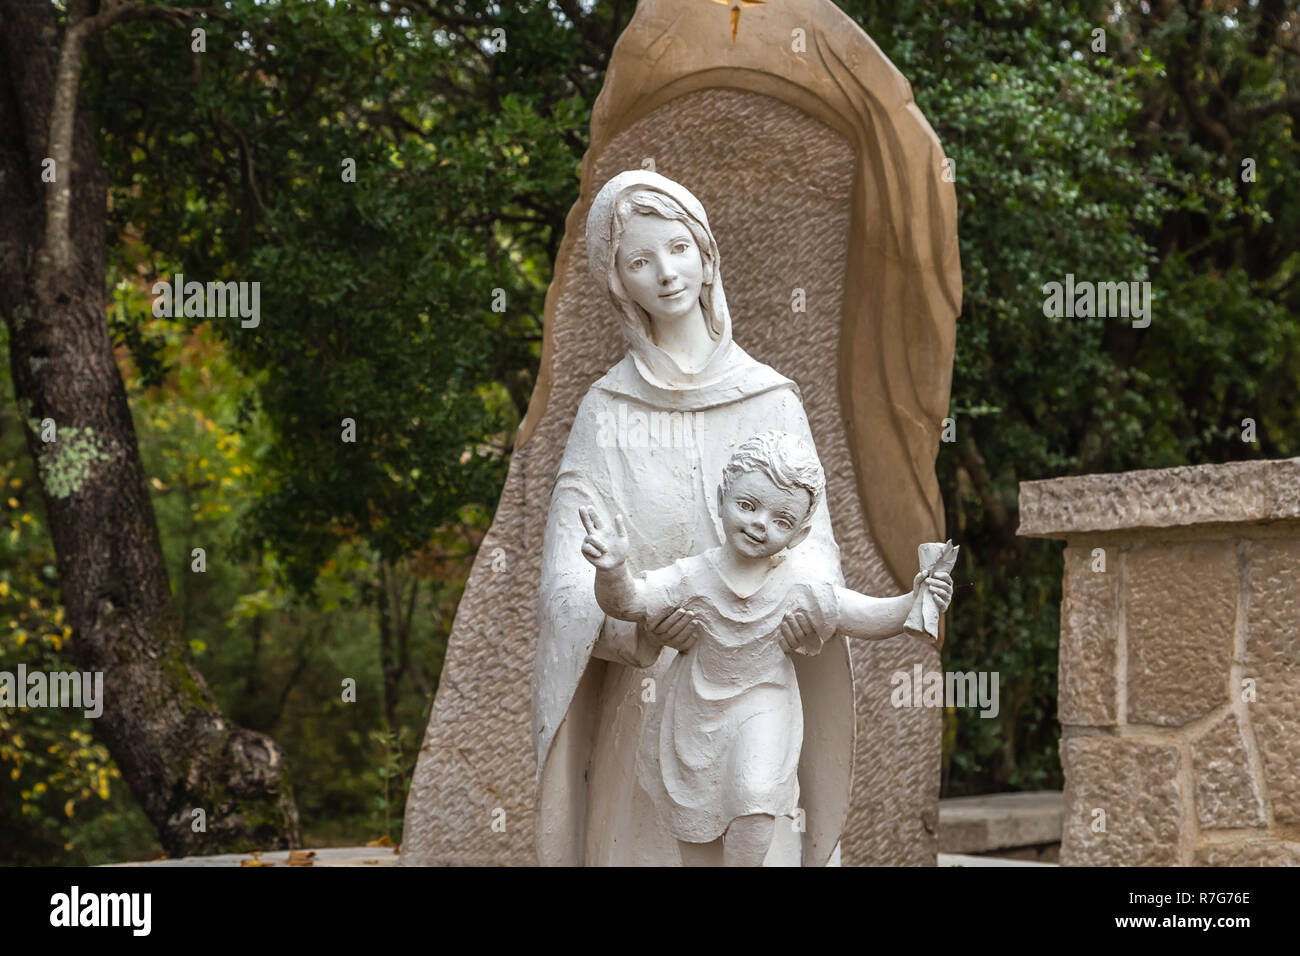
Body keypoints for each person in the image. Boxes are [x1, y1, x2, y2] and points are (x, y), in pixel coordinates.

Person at [534, 170, 864, 866]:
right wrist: (636, 617)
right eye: (639, 260)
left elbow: (815, 546)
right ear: (620, 282)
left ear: (707, 254)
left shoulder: (771, 400)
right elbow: (564, 580)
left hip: (756, 702)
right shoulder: (607, 413)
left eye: (678, 248)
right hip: (645, 720)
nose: (665, 273)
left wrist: (804, 603)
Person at [578, 431, 953, 866]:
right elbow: (629, 604)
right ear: (722, 497)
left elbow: (862, 615)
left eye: (782, 520)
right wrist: (612, 569)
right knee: (695, 825)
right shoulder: (691, 577)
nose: (760, 525)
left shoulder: (798, 585)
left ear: (799, 534)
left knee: (755, 795)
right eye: (748, 506)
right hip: (696, 712)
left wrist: (914, 601)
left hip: (764, 704)